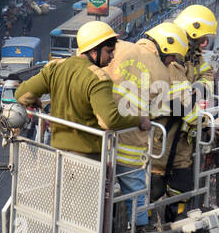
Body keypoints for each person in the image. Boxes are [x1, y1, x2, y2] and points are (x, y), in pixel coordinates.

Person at [16, 21, 149, 156]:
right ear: (94, 50)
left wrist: (35, 101)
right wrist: (140, 120)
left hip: (57, 154)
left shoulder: (54, 68)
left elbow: (21, 94)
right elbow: (109, 120)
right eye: (109, 51)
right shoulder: (98, 78)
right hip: (88, 159)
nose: (112, 56)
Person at [106, 21, 189, 231]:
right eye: (171, 56)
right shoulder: (161, 73)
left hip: (100, 138)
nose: (170, 62)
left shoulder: (117, 46)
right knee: (137, 200)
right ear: (164, 47)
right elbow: (170, 108)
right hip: (131, 147)